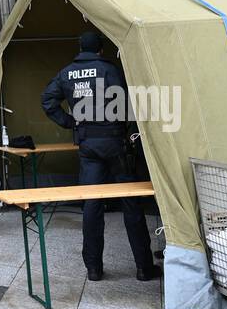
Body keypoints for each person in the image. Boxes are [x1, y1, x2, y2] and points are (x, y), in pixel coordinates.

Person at [41, 29, 160, 282]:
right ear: (100, 50)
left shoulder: (67, 72)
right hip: (116, 143)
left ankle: (94, 269)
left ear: (80, 48)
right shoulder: (110, 69)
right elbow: (129, 102)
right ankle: (143, 267)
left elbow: (48, 100)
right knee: (131, 203)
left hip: (88, 146)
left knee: (92, 206)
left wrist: (71, 122)